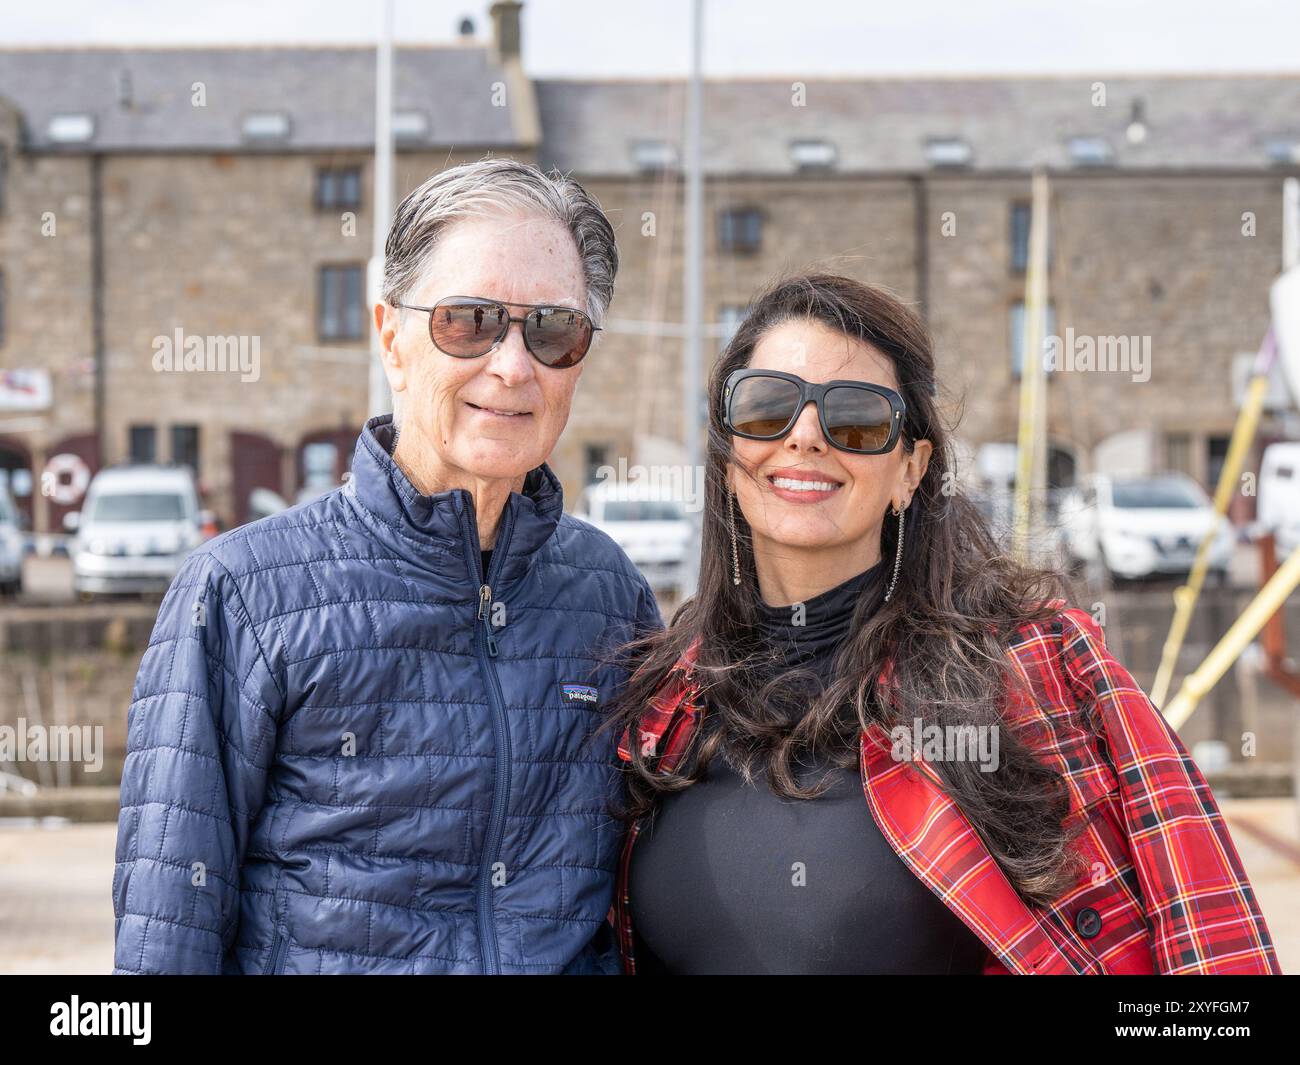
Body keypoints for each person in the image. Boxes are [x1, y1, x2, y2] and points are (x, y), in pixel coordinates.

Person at [607, 273, 1281, 975]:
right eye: (767, 406)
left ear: (910, 469)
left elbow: (1218, 960)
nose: (805, 435)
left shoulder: (1044, 670)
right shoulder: (664, 699)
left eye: (858, 417)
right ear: (727, 456)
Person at [112, 158, 661, 974]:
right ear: (391, 336)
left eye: (551, 329)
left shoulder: (610, 594)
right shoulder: (239, 595)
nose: (513, 366)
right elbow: (167, 937)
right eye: (469, 321)